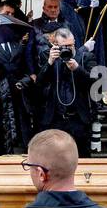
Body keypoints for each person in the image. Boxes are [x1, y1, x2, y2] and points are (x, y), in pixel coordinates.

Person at [37, 28, 96, 156]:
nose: (68, 49)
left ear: (74, 42)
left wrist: (77, 69)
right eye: (65, 46)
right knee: (54, 158)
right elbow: (39, 84)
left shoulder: (85, 57)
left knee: (81, 157)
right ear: (56, 45)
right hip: (55, 119)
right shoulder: (51, 57)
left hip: (78, 119)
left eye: (71, 45)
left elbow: (95, 84)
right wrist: (49, 63)